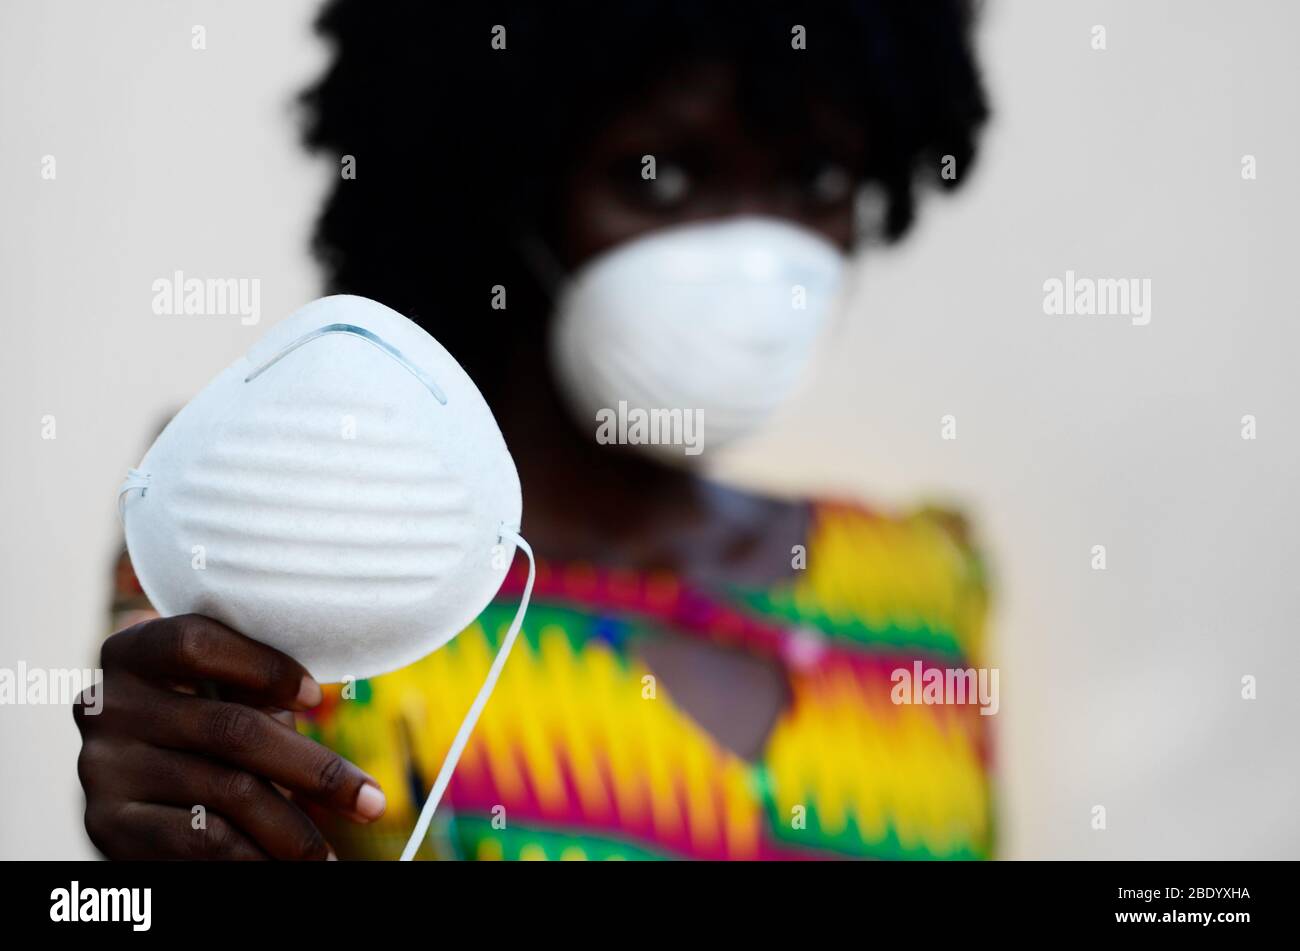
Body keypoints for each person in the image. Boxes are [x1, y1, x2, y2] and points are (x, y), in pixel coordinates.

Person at [76, 1, 993, 860]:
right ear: (507, 192)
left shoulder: (926, 585)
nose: (753, 250)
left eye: (817, 176)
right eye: (662, 175)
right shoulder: (297, 556)